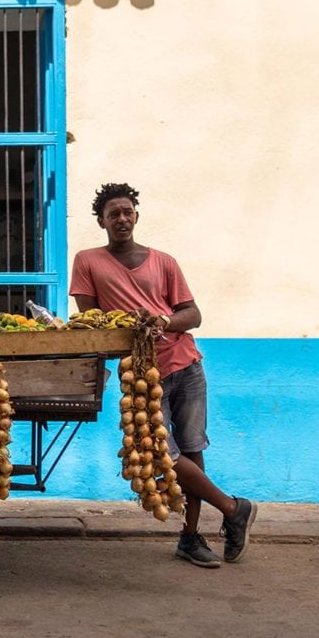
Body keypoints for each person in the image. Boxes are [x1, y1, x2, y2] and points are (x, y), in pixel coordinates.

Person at [69, 182, 256, 568]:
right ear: (101, 221)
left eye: (126, 212)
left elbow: (193, 314)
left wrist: (164, 321)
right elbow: (90, 321)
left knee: (191, 451)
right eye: (112, 214)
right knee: (160, 452)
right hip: (139, 373)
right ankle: (232, 507)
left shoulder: (164, 261)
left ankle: (191, 537)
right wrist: (128, 327)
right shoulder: (87, 261)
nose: (121, 219)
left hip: (185, 363)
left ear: (136, 215)